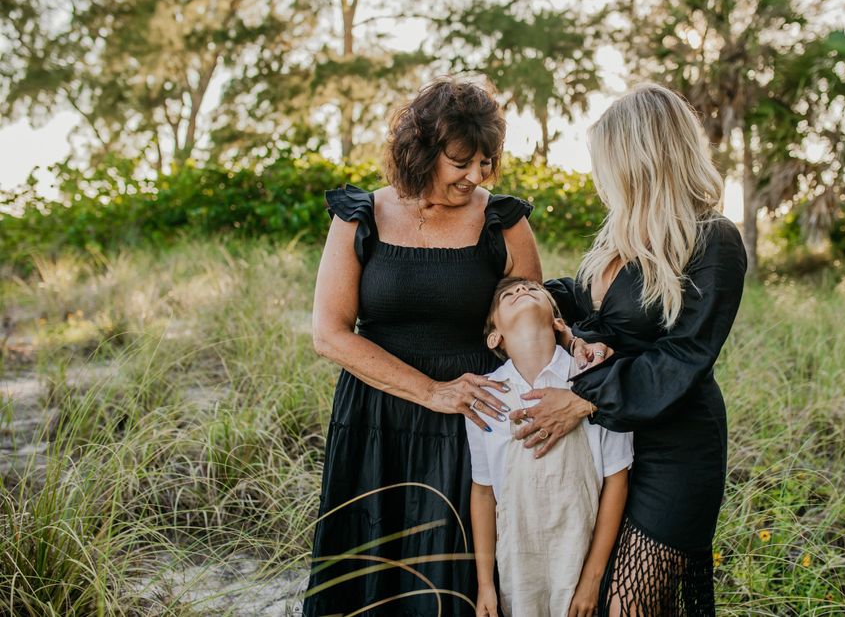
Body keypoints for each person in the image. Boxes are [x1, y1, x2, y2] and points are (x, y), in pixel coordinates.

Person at [304, 77, 543, 616]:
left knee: (455, 583)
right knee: (371, 582)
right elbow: (330, 334)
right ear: (423, 150)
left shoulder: (504, 222)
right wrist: (431, 390)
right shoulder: (358, 216)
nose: (475, 176)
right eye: (461, 162)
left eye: (485, 162)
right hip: (376, 419)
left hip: (473, 419)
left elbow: (529, 330)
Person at [509, 83, 748, 616]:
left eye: (606, 162)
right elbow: (584, 305)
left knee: (628, 607)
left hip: (675, 451)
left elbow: (683, 357)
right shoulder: (620, 236)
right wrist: (527, 296)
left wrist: (581, 399)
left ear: (641, 159)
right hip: (610, 448)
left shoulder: (714, 240)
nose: (600, 177)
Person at [465, 277, 632, 617]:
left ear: (558, 321)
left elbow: (617, 480)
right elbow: (483, 492)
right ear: (494, 336)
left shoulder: (594, 378)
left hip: (581, 555)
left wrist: (591, 580)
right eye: (508, 295)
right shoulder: (485, 395)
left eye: (532, 290)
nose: (521, 292)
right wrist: (486, 583)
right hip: (518, 565)